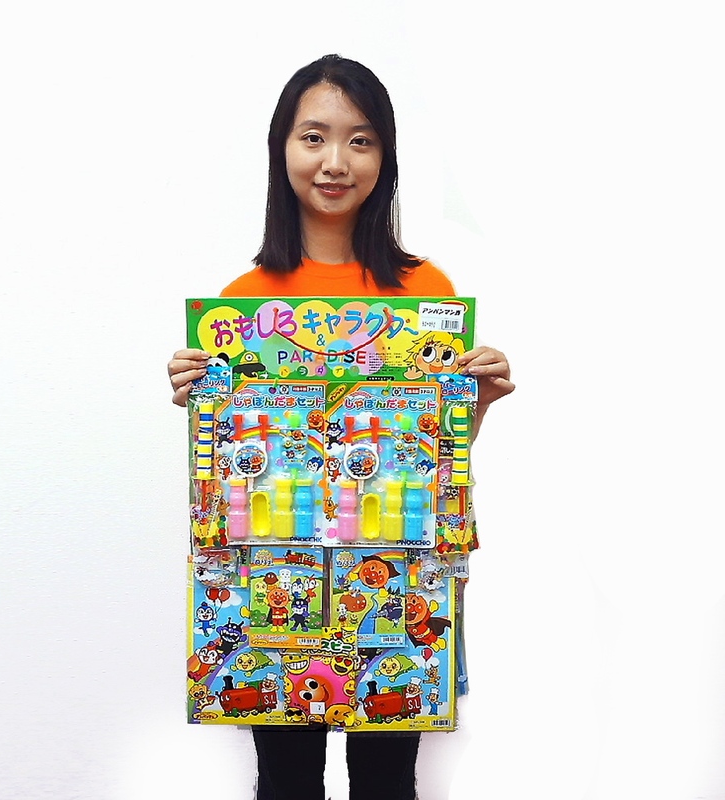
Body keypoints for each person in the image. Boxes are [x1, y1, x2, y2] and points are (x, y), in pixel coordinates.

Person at [168, 54, 514, 800]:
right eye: (313, 137)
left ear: (385, 158)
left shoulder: (426, 294)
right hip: (272, 575)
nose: (335, 161)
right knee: (285, 781)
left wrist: (475, 401)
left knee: (388, 781)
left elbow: (432, 460)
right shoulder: (242, 305)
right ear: (281, 150)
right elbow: (231, 473)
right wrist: (204, 403)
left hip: (395, 574)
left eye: (360, 140)